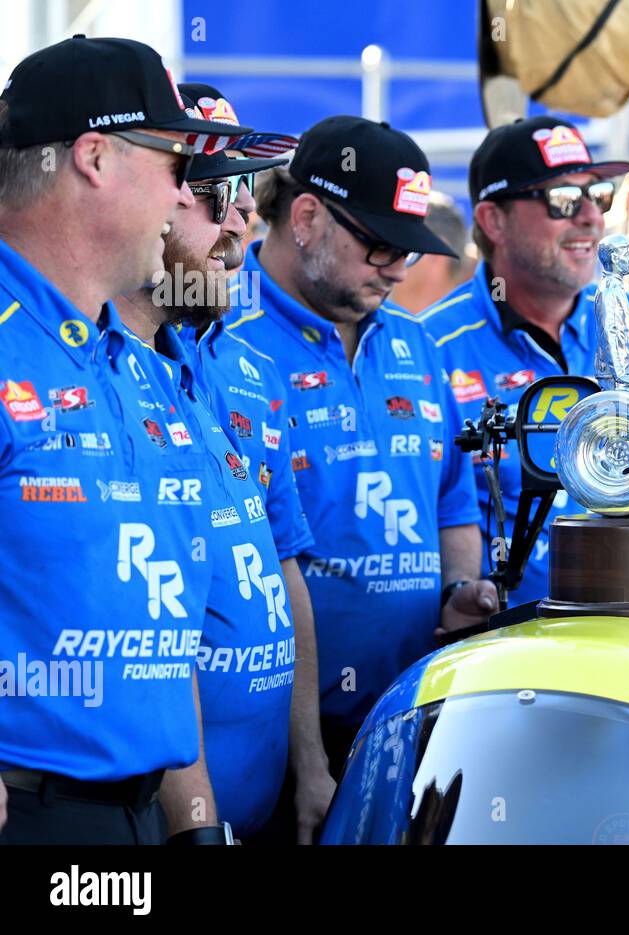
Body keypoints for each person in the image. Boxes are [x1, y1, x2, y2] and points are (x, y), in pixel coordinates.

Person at [0, 35, 248, 843]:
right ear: (95, 158)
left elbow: (162, 637)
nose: (186, 203)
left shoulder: (136, 364)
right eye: (180, 169)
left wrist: (196, 820)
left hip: (145, 814)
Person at [234, 115, 496, 774]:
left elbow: (452, 505)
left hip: (410, 721)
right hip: (267, 736)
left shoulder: (414, 343)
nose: (399, 271)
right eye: (381, 246)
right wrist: (304, 753)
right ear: (306, 216)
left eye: (409, 250)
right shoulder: (219, 336)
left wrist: (458, 591)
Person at [111, 82, 336, 842]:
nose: (241, 218)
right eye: (216, 191)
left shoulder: (244, 371)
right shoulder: (100, 376)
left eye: (250, 191)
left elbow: (285, 567)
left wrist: (310, 763)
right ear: (156, 199)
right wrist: (196, 822)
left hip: (268, 804)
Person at [419, 116, 629, 606]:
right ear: (493, 220)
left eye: (597, 194)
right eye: (562, 200)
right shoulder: (431, 345)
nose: (591, 218)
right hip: (507, 651)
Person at [390, 191, 475, 312]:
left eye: (405, 244)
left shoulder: (472, 327)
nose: (389, 255)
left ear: (436, 252)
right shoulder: (374, 324)